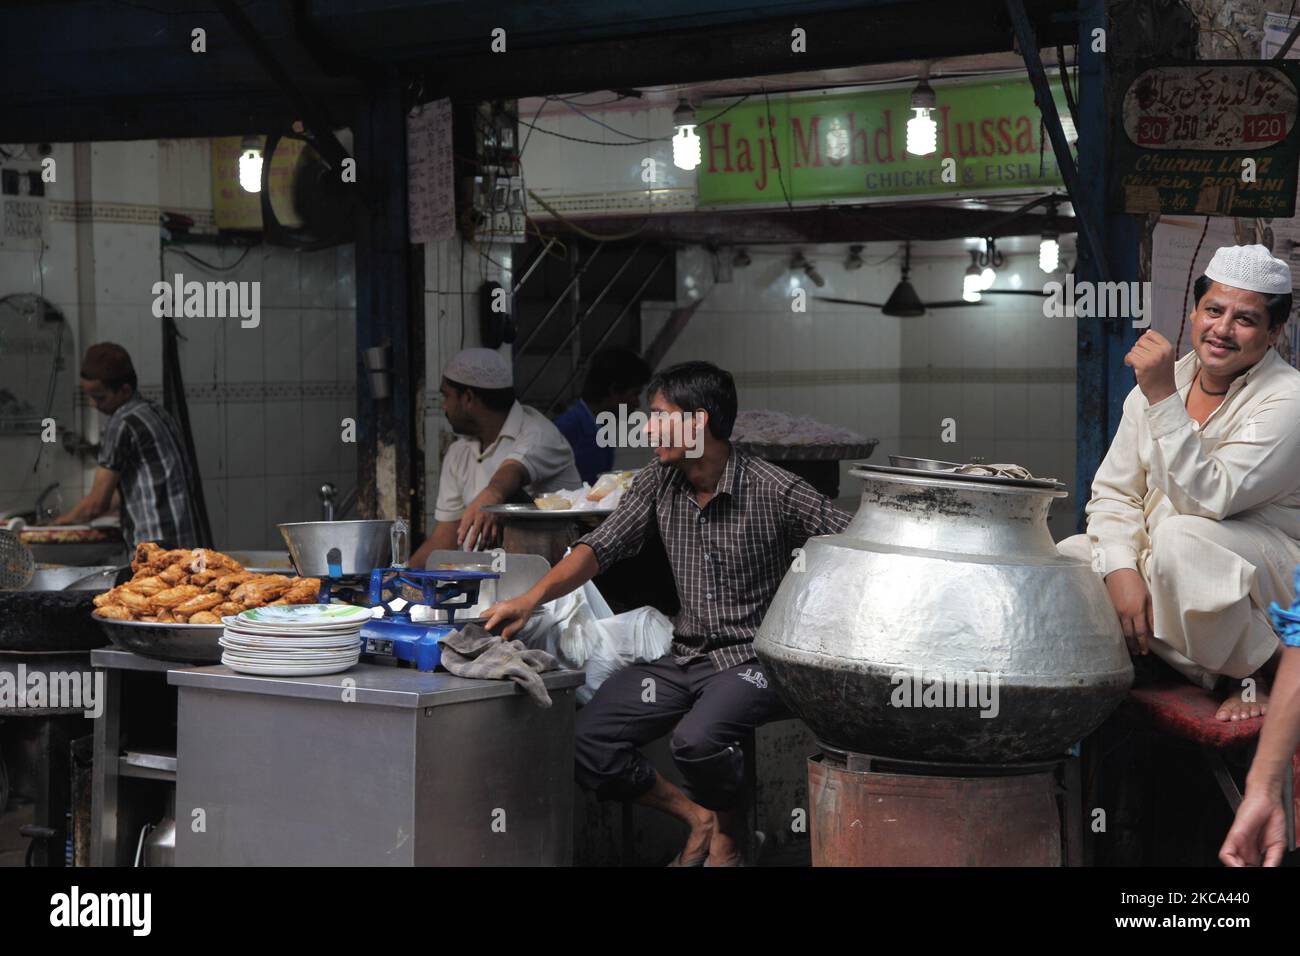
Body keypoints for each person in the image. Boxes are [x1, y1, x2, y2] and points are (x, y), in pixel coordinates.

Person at [484, 361, 851, 866]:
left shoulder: (775, 490)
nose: (646, 427)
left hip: (753, 662)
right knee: (588, 739)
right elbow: (601, 547)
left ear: (697, 422)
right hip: (685, 656)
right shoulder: (660, 481)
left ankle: (727, 836)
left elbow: (852, 547)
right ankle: (697, 819)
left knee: (695, 741)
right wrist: (531, 599)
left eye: (658, 415)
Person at [1057, 244, 1300, 721]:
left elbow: (1209, 499)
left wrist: (1163, 397)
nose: (1222, 330)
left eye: (1245, 320)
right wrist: (1122, 571)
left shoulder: (1287, 401)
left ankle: (1264, 670)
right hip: (1176, 569)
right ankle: (1197, 666)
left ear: (1273, 333)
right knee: (1071, 560)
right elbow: (1114, 493)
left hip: (1269, 579)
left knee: (1181, 539)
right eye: (1213, 310)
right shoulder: (1166, 382)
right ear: (1193, 313)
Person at [410, 348, 580, 566]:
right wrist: (399, 576)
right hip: (485, 584)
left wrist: (493, 496)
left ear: (468, 398)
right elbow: (446, 536)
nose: (443, 405)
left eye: (447, 395)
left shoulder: (539, 433)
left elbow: (513, 471)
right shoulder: (458, 452)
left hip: (549, 581)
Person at [53, 342, 199, 550]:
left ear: (125, 390)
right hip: (186, 540)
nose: (93, 404)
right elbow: (135, 490)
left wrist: (55, 525)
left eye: (99, 397)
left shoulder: (122, 422)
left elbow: (96, 504)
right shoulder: (156, 412)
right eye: (90, 397)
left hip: (156, 546)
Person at [554, 347, 652, 484]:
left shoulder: (600, 426)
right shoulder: (566, 430)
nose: (637, 403)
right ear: (614, 390)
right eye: (635, 394)